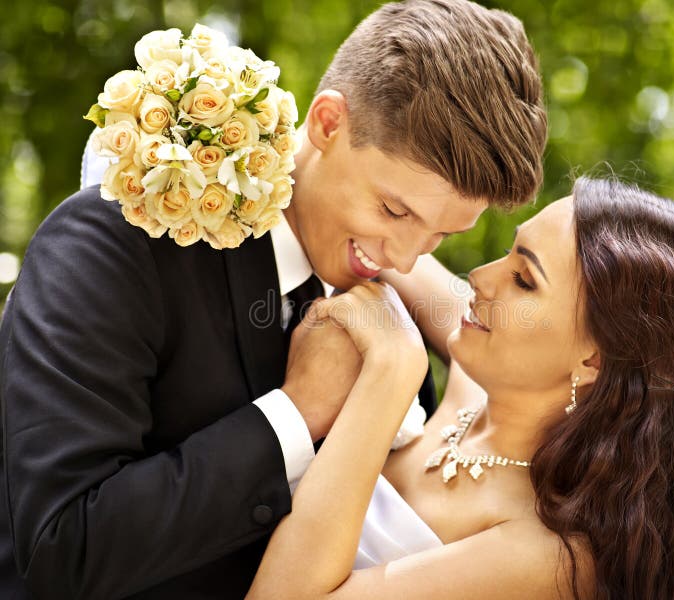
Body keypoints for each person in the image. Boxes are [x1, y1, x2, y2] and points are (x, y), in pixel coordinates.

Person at [0, 1, 547, 598]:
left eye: (442, 235)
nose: (406, 259)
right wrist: (296, 411)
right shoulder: (119, 244)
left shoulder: (390, 333)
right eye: (394, 209)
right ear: (328, 123)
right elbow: (62, 549)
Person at [245, 177, 674, 600]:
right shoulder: (474, 387)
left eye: (523, 278)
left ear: (593, 359)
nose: (483, 277)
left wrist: (389, 376)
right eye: (510, 252)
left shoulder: (550, 552)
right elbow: (389, 247)